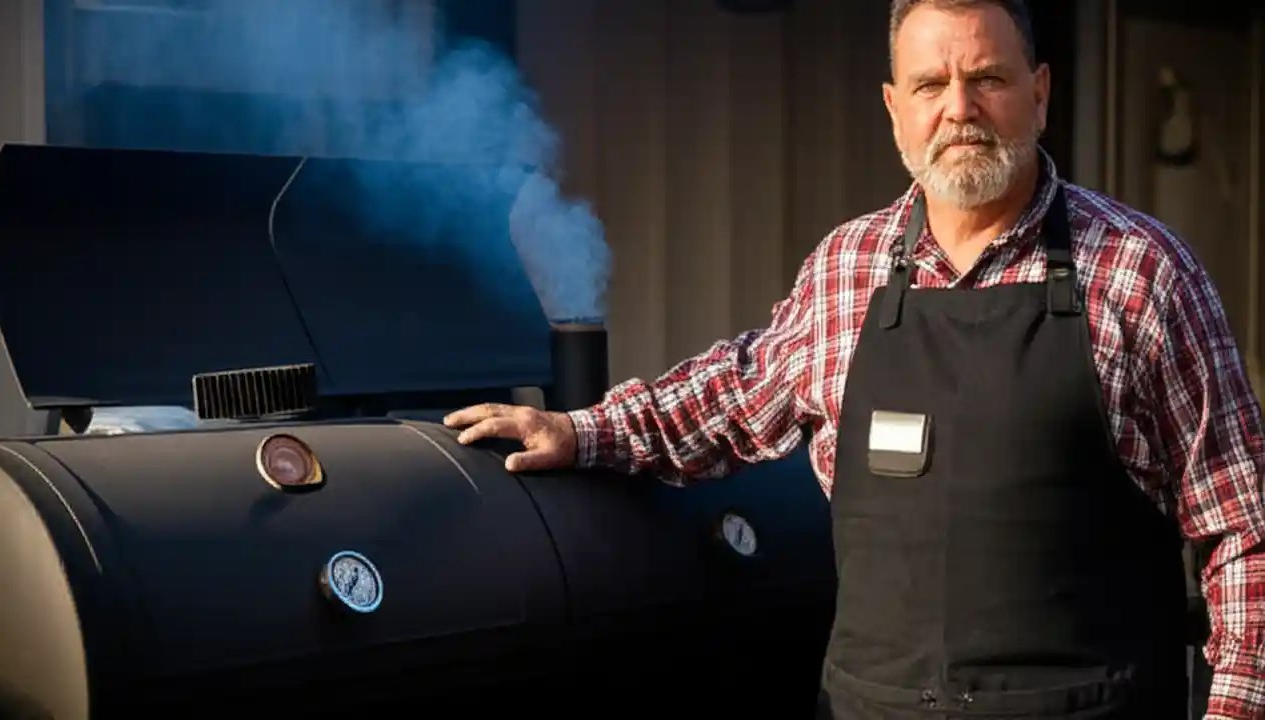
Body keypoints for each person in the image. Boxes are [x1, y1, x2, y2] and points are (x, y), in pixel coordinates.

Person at [444, 0, 1265, 717]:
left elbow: (1245, 532)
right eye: (930, 86)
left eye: (989, 79)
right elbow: (733, 395)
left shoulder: (1143, 272)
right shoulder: (849, 266)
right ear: (893, 108)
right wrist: (582, 431)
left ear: (1041, 93)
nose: (960, 109)